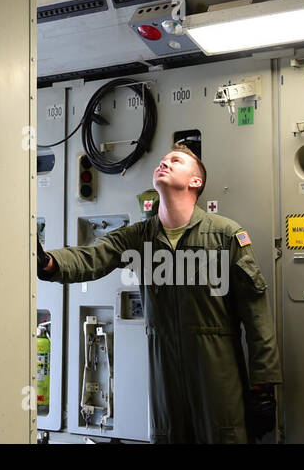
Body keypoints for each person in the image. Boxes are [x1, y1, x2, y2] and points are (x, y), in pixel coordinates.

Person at [37, 142, 280, 443]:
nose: (164, 163)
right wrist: (48, 263)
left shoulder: (225, 235)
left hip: (217, 373)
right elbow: (94, 256)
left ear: (196, 181)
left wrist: (263, 386)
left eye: (175, 161)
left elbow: (257, 315)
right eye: (162, 160)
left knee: (224, 437)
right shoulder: (141, 236)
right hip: (164, 372)